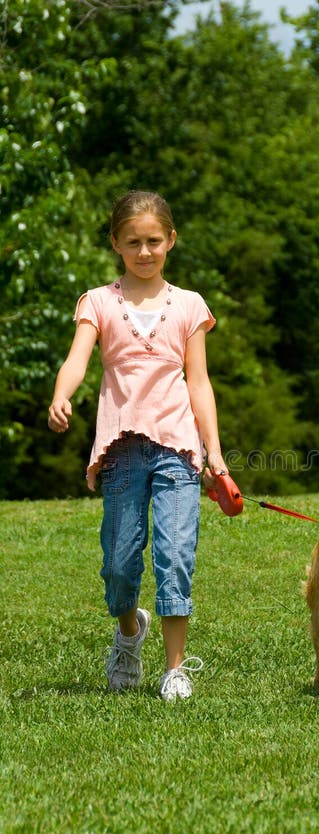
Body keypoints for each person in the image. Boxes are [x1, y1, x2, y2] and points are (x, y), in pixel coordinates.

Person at [48, 190, 228, 700]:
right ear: (115, 244)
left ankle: (175, 669)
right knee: (119, 563)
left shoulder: (189, 305)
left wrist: (213, 450)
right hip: (121, 449)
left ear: (171, 240)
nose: (144, 252)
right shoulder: (99, 302)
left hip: (178, 448)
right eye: (133, 242)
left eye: (153, 241)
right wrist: (62, 395)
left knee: (176, 555)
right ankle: (129, 633)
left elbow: (199, 382)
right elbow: (77, 359)